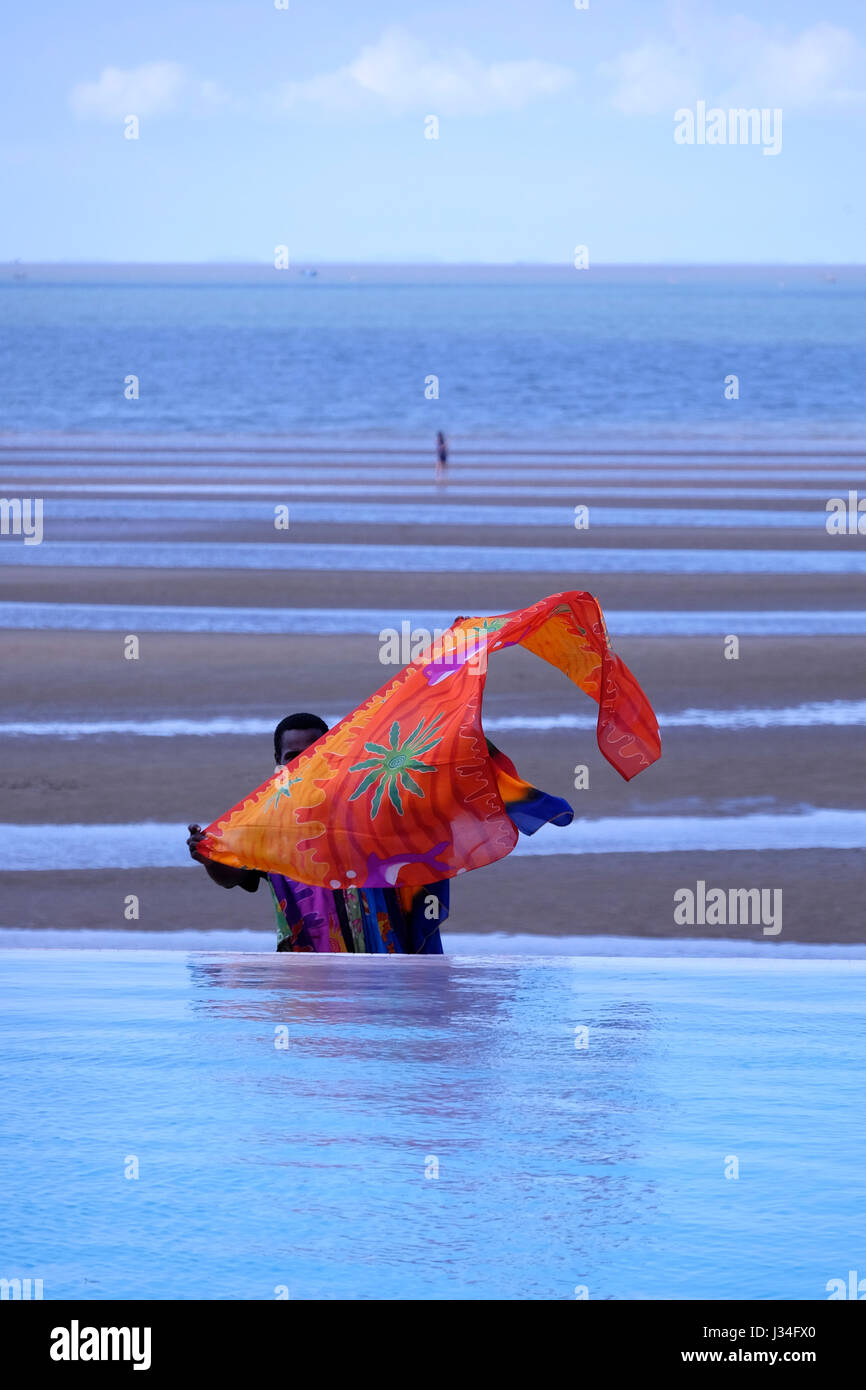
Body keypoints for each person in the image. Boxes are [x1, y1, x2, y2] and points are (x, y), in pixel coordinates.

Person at [187, 712, 447, 953]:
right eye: (293, 755)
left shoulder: (370, 805)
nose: (305, 762)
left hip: (383, 955)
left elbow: (428, 815)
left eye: (315, 752)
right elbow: (233, 876)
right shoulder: (263, 821)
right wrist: (209, 860)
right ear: (278, 761)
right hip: (309, 965)